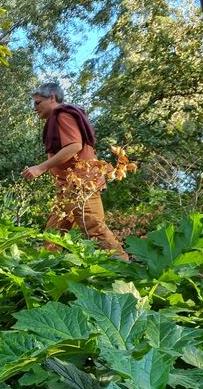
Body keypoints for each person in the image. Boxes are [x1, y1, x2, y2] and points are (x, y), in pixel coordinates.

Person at [21, 82, 129, 260]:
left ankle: (126, 270)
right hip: (68, 188)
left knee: (94, 229)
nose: (34, 108)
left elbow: (74, 146)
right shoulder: (57, 118)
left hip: (81, 184)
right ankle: (42, 274)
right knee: (53, 234)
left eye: (37, 102)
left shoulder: (62, 114)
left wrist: (40, 168)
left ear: (52, 98)